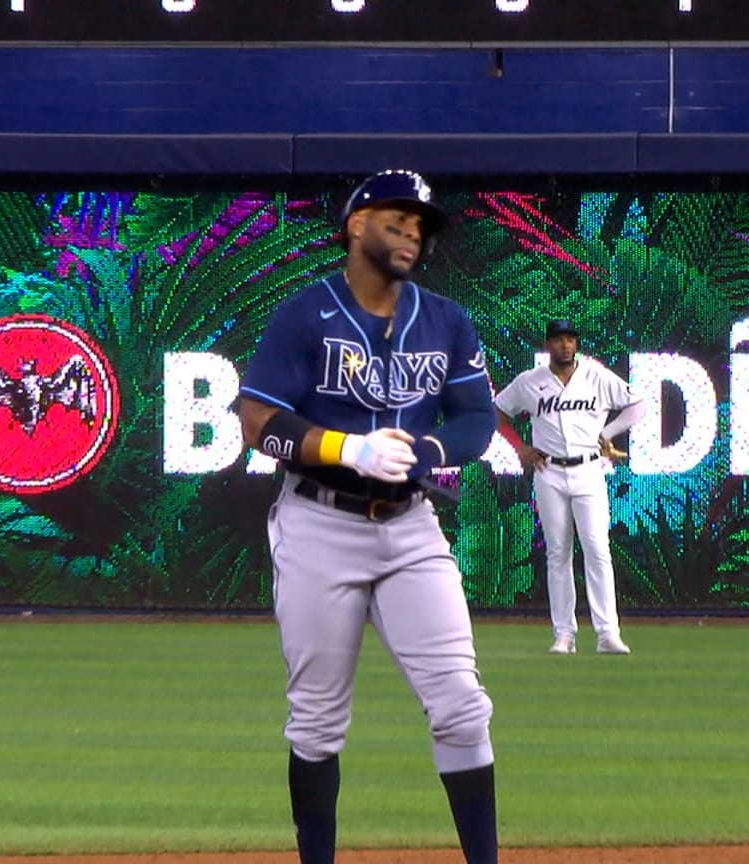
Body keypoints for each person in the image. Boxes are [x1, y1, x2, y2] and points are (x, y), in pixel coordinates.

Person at [237, 169, 500, 864]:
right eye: (396, 220)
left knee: (462, 706)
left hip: (410, 527)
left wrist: (428, 452)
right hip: (319, 525)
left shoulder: (445, 320)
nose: (412, 233)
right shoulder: (305, 314)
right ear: (356, 225)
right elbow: (256, 420)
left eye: (420, 226)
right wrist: (346, 448)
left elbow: (476, 417)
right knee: (318, 722)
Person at [493, 319, 648, 655]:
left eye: (570, 339)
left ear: (576, 344)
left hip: (589, 468)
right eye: (559, 339)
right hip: (548, 470)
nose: (565, 345)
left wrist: (606, 434)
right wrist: (520, 447)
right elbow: (498, 412)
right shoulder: (530, 381)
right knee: (558, 553)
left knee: (597, 549)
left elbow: (638, 404)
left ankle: (608, 634)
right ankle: (564, 634)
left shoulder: (596, 376)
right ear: (547, 345)